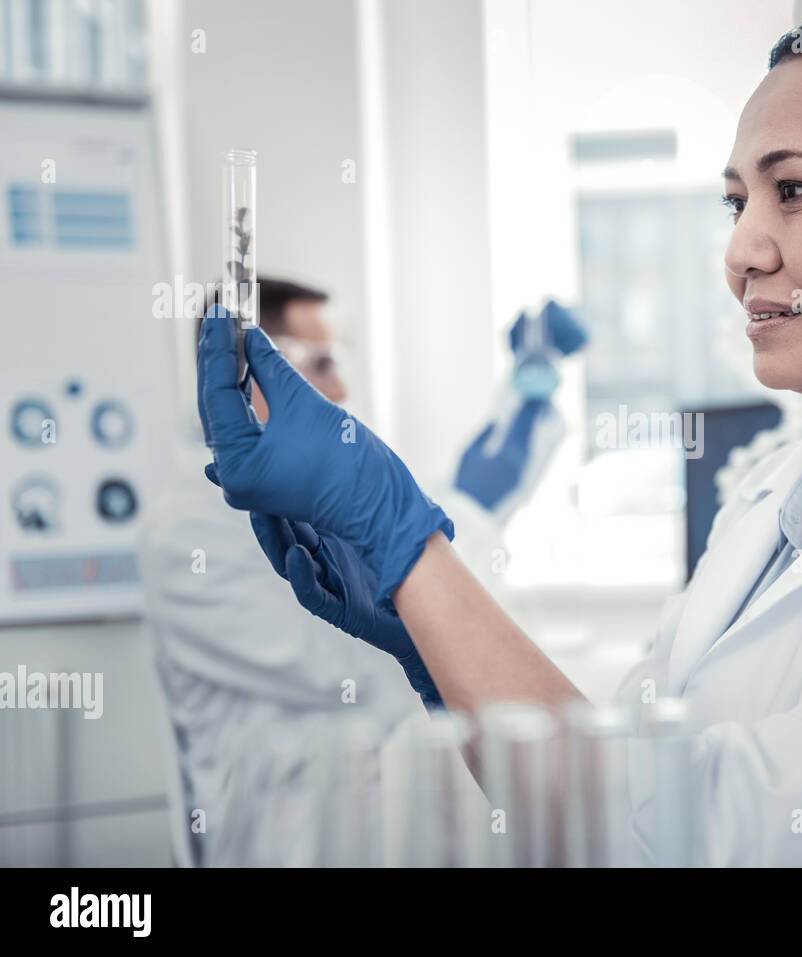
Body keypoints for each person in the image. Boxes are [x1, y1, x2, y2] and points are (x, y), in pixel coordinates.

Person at [195, 0, 802, 866]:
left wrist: (406, 548)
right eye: (735, 200)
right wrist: (431, 647)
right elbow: (612, 786)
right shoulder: (765, 506)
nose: (742, 250)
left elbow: (706, 839)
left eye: (793, 189)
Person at [141, 278, 575, 865]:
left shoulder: (308, 496)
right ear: (243, 374)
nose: (340, 389)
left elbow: (418, 572)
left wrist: (519, 412)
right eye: (320, 363)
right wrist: (468, 514)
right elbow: (369, 668)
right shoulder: (188, 534)